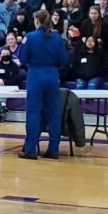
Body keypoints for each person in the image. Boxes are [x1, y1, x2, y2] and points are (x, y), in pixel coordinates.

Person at [17, 10, 69, 160]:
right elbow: (64, 60)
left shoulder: (30, 37)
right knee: (54, 112)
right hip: (52, 75)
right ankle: (53, 149)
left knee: (34, 112)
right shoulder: (58, 38)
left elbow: (23, 58)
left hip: (35, 74)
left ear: (37, 21)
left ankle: (31, 149)